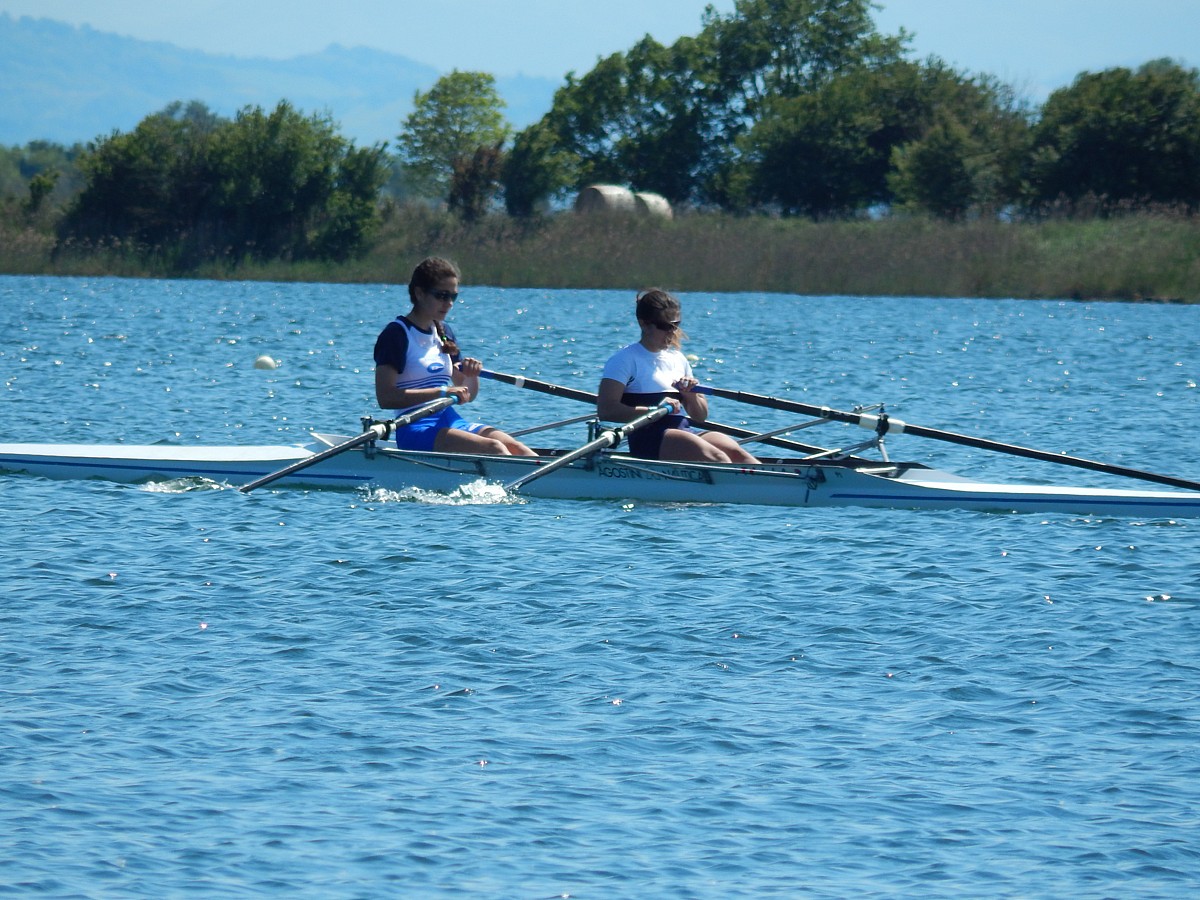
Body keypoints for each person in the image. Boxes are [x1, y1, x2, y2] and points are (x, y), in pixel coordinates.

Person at [374, 257, 535, 455]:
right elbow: (386, 398)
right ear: (419, 293)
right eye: (442, 296)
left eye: (453, 297)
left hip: (450, 419)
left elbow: (468, 394)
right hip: (414, 427)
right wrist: (442, 392)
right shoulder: (396, 335)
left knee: (519, 449)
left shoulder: (444, 332)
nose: (449, 303)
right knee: (494, 448)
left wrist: (471, 375)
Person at [597, 289, 761, 464]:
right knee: (718, 458)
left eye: (676, 324)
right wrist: (653, 411)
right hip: (649, 438)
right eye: (665, 326)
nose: (672, 331)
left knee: (740, 456)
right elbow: (606, 410)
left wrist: (690, 394)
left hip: (683, 432)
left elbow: (700, 416)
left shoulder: (678, 359)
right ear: (644, 324)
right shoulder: (624, 360)